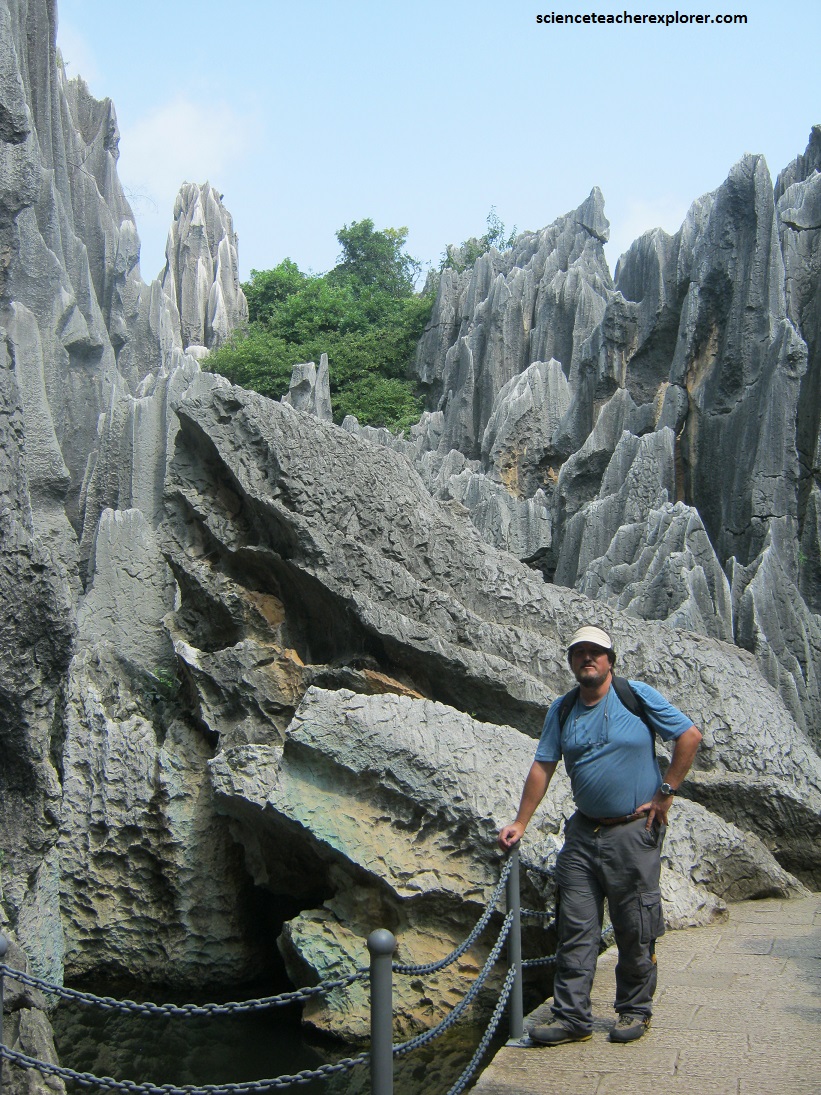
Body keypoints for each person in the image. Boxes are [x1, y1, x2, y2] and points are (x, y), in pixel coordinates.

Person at [498, 625, 702, 1045]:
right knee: (575, 927)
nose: (587, 659)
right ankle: (572, 1018)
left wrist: (666, 793)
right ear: (571, 661)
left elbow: (689, 736)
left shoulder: (635, 695)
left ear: (610, 660)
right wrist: (521, 821)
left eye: (596, 652)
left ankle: (634, 1011)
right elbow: (543, 765)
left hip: (633, 832)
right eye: (579, 653)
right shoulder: (562, 709)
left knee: (635, 926)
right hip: (582, 835)